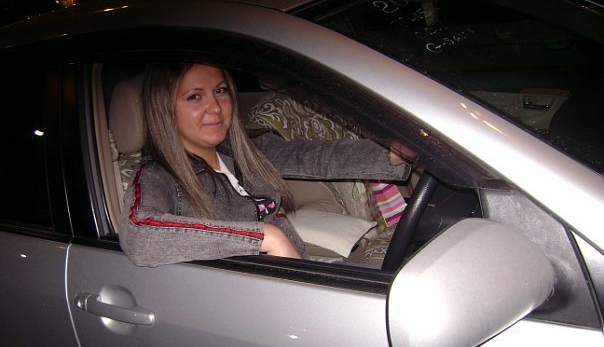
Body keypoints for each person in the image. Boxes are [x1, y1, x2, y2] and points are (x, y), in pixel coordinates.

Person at [119, 62, 415, 267]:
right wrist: (264, 237)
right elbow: (140, 234)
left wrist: (392, 154)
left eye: (220, 91)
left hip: (297, 272)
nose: (215, 107)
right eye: (195, 97)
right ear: (164, 109)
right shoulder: (158, 175)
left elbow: (315, 157)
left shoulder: (243, 150)